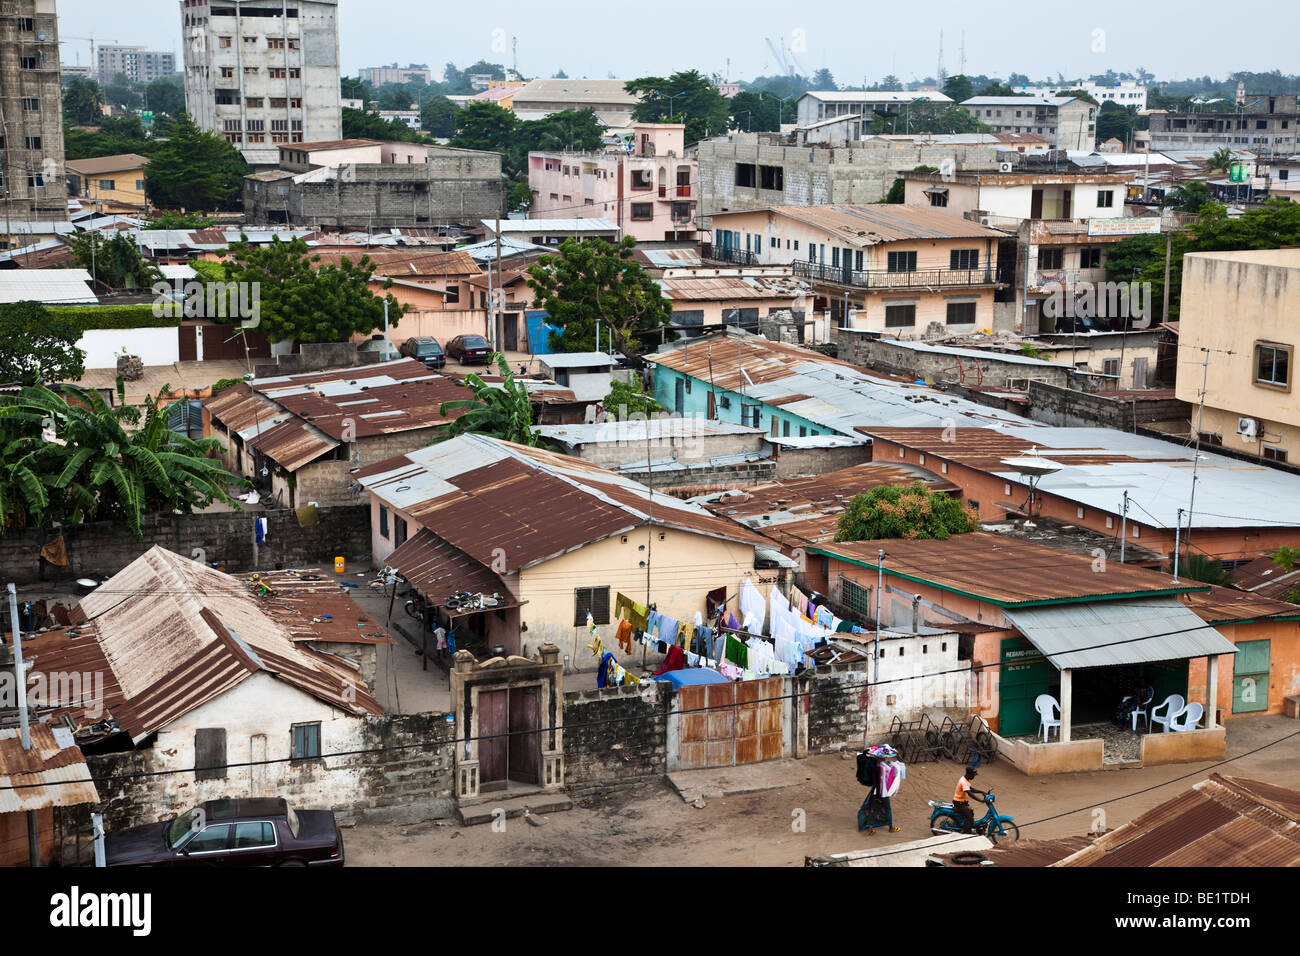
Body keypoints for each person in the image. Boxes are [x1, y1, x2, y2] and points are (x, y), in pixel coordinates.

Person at [952, 765, 986, 834]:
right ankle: (966, 833)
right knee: (970, 818)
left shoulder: (966, 779)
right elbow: (970, 793)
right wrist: (980, 800)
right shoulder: (963, 782)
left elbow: (971, 789)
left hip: (963, 802)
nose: (974, 776)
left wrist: (982, 792)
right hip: (959, 803)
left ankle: (965, 825)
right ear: (969, 774)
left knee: (971, 812)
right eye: (973, 775)